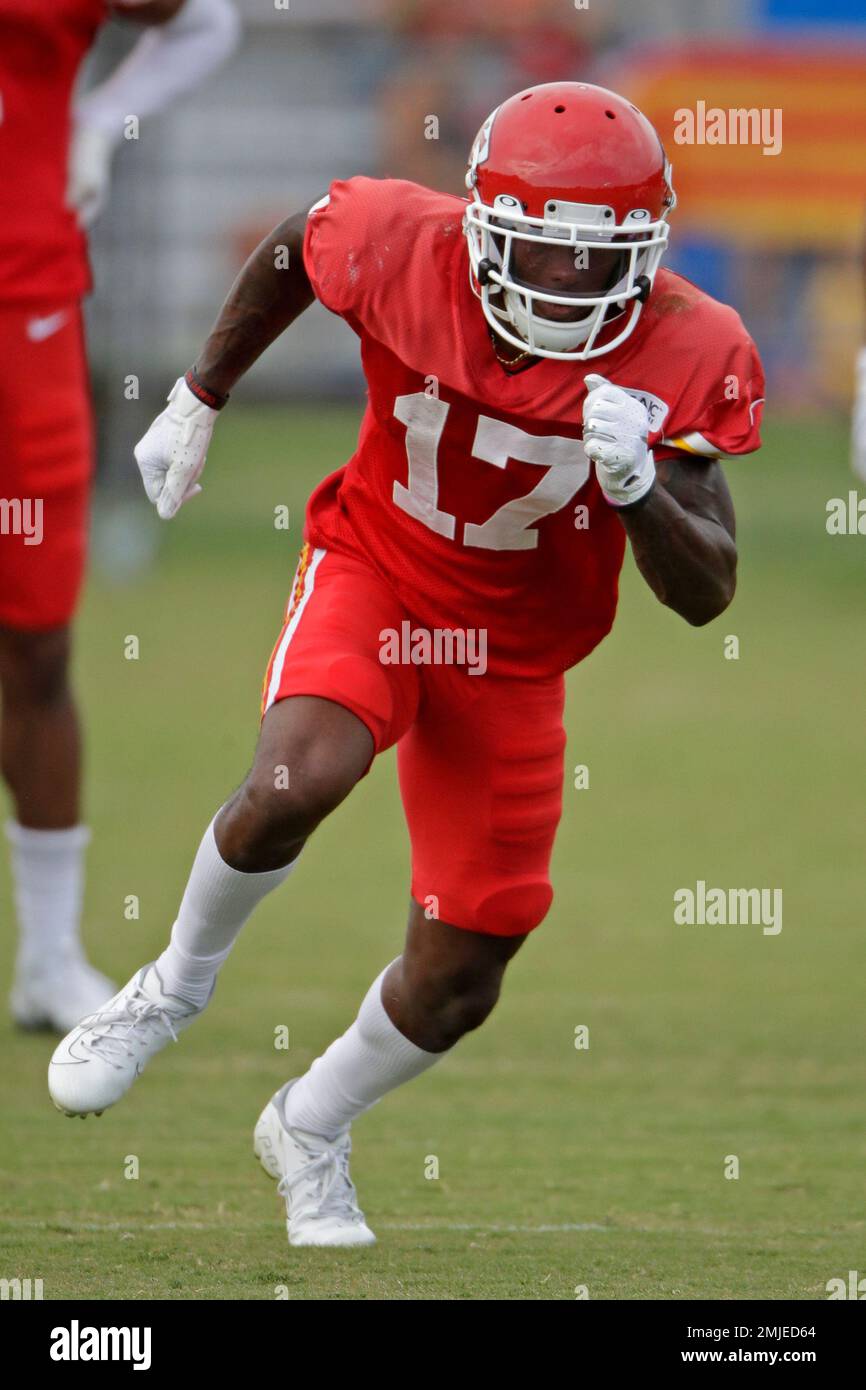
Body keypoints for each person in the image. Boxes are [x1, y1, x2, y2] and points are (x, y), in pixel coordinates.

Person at [48, 83, 764, 1249]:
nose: (560, 285)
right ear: (479, 228)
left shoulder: (690, 348)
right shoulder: (397, 241)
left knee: (462, 974)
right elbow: (294, 247)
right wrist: (199, 392)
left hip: (517, 657)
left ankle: (310, 1125)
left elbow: (707, 592)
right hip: (378, 567)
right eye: (536, 251)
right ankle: (171, 985)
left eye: (595, 263)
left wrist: (638, 488)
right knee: (301, 772)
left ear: (645, 258)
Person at [0, 0, 239, 1032]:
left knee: (37, 647)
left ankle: (49, 958)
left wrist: (103, 119)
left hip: (27, 308)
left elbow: (204, 20)